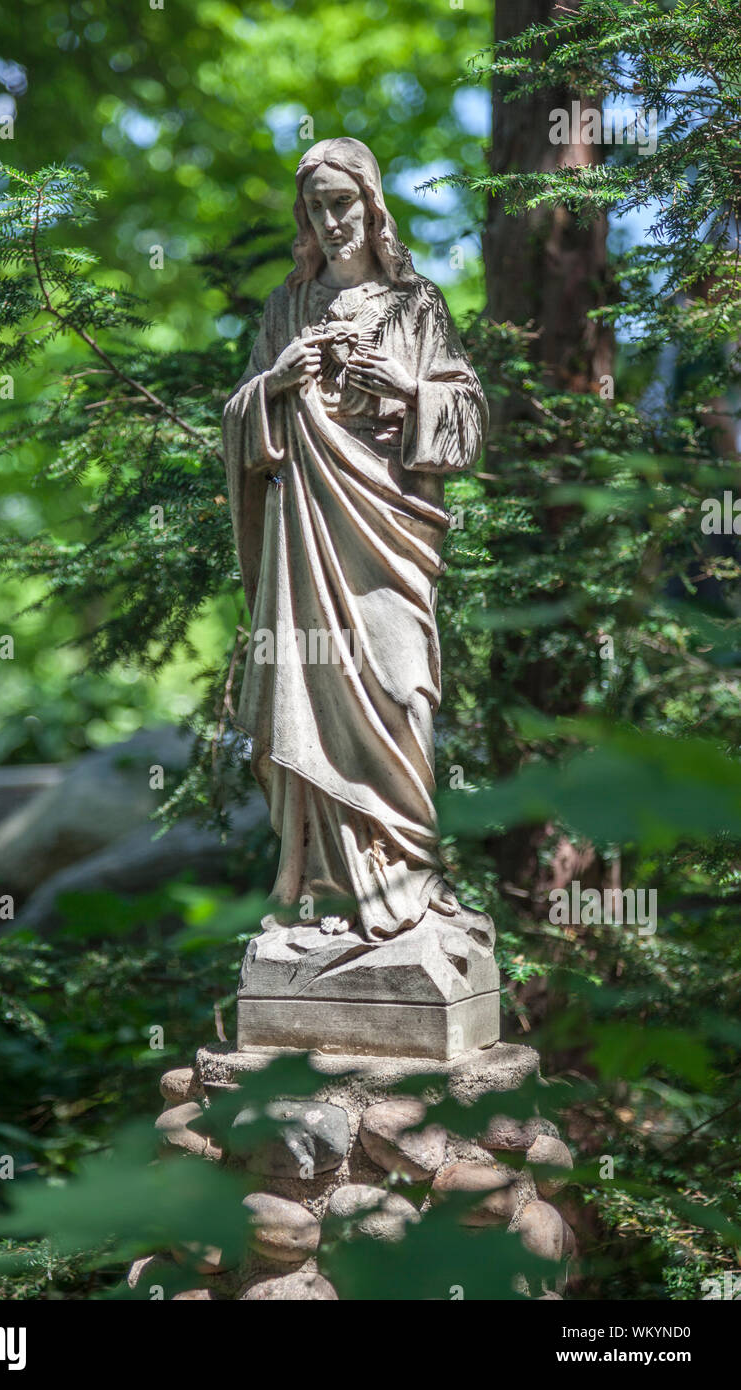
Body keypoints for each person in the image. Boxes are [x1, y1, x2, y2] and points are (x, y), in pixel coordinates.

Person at [223, 137, 489, 944]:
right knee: (313, 689)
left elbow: (469, 420)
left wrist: (408, 390)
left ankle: (410, 870)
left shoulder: (418, 306)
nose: (332, 219)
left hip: (393, 533)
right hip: (310, 536)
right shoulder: (287, 309)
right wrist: (276, 383)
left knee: (407, 694)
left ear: (372, 205)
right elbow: (239, 423)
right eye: (317, 207)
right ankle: (331, 889)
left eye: (344, 202)